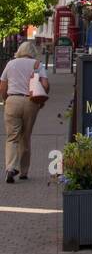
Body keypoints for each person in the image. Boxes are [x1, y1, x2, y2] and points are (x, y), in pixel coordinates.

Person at [0, 41, 49, 183]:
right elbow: (45, 85)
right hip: (31, 102)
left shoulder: (11, 64)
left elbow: (2, 86)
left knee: (12, 137)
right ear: (33, 52)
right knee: (25, 137)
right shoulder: (37, 64)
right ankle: (24, 171)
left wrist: (5, 100)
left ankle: (10, 167)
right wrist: (41, 100)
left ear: (19, 51)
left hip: (12, 100)